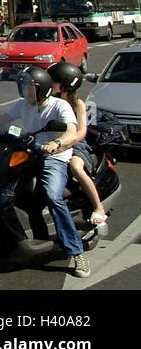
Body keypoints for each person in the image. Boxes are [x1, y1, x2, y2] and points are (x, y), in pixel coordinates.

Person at [0, 67, 88, 277]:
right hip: (27, 153)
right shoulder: (23, 105)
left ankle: (76, 252)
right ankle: (11, 239)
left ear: (43, 90)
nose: (25, 92)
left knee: (52, 196)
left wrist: (57, 142)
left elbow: (71, 131)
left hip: (54, 158)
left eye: (30, 88)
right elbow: (4, 118)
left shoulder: (60, 106)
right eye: (23, 88)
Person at [47, 61, 109, 227]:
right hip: (51, 143)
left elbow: (81, 132)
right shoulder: (48, 100)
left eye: (51, 81)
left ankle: (98, 207)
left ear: (63, 85)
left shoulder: (78, 104)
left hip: (76, 144)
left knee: (76, 168)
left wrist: (65, 144)